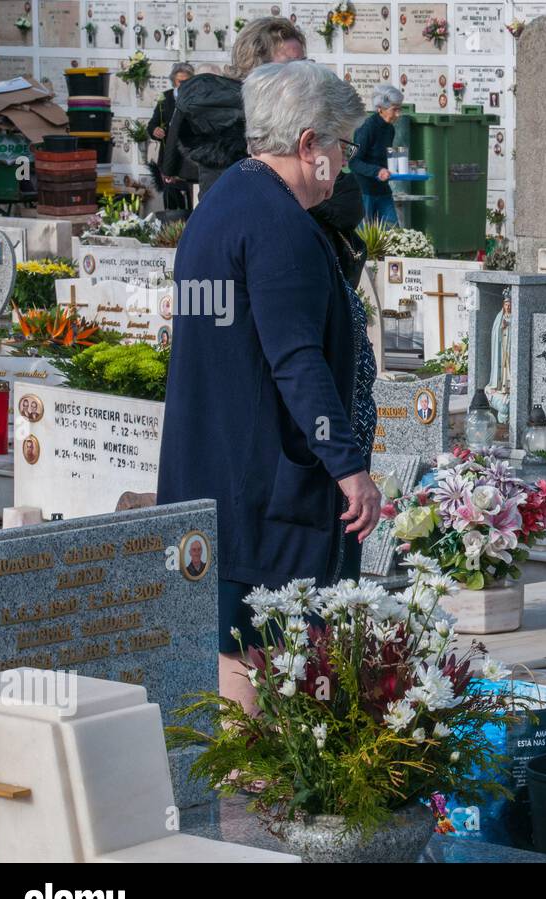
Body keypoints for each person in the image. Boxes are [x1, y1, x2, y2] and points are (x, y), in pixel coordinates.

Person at [158, 61, 380, 708]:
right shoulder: (280, 225)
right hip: (268, 490)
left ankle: (242, 802)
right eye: (341, 146)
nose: (343, 162)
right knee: (267, 667)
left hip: (218, 479)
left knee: (237, 656)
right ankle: (259, 805)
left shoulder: (225, 200)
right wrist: (347, 466)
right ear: (309, 144)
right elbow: (296, 359)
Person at [159, 17, 306, 196]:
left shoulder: (295, 114)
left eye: (304, 64)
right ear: (256, 67)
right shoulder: (228, 123)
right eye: (290, 66)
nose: (302, 74)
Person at [349, 83, 403, 224]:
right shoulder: (366, 128)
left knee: (392, 232)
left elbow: (384, 158)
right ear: (380, 109)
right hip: (364, 190)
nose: (398, 114)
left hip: (383, 189)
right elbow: (353, 161)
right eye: (394, 110)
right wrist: (377, 171)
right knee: (365, 236)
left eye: (399, 109)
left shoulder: (390, 129)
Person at [147, 62, 195, 211]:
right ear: (174, 80)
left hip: (188, 157)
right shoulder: (165, 98)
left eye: (187, 81)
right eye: (180, 81)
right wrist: (155, 130)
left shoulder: (195, 98)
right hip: (169, 155)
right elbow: (153, 123)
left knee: (191, 199)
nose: (183, 85)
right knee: (170, 198)